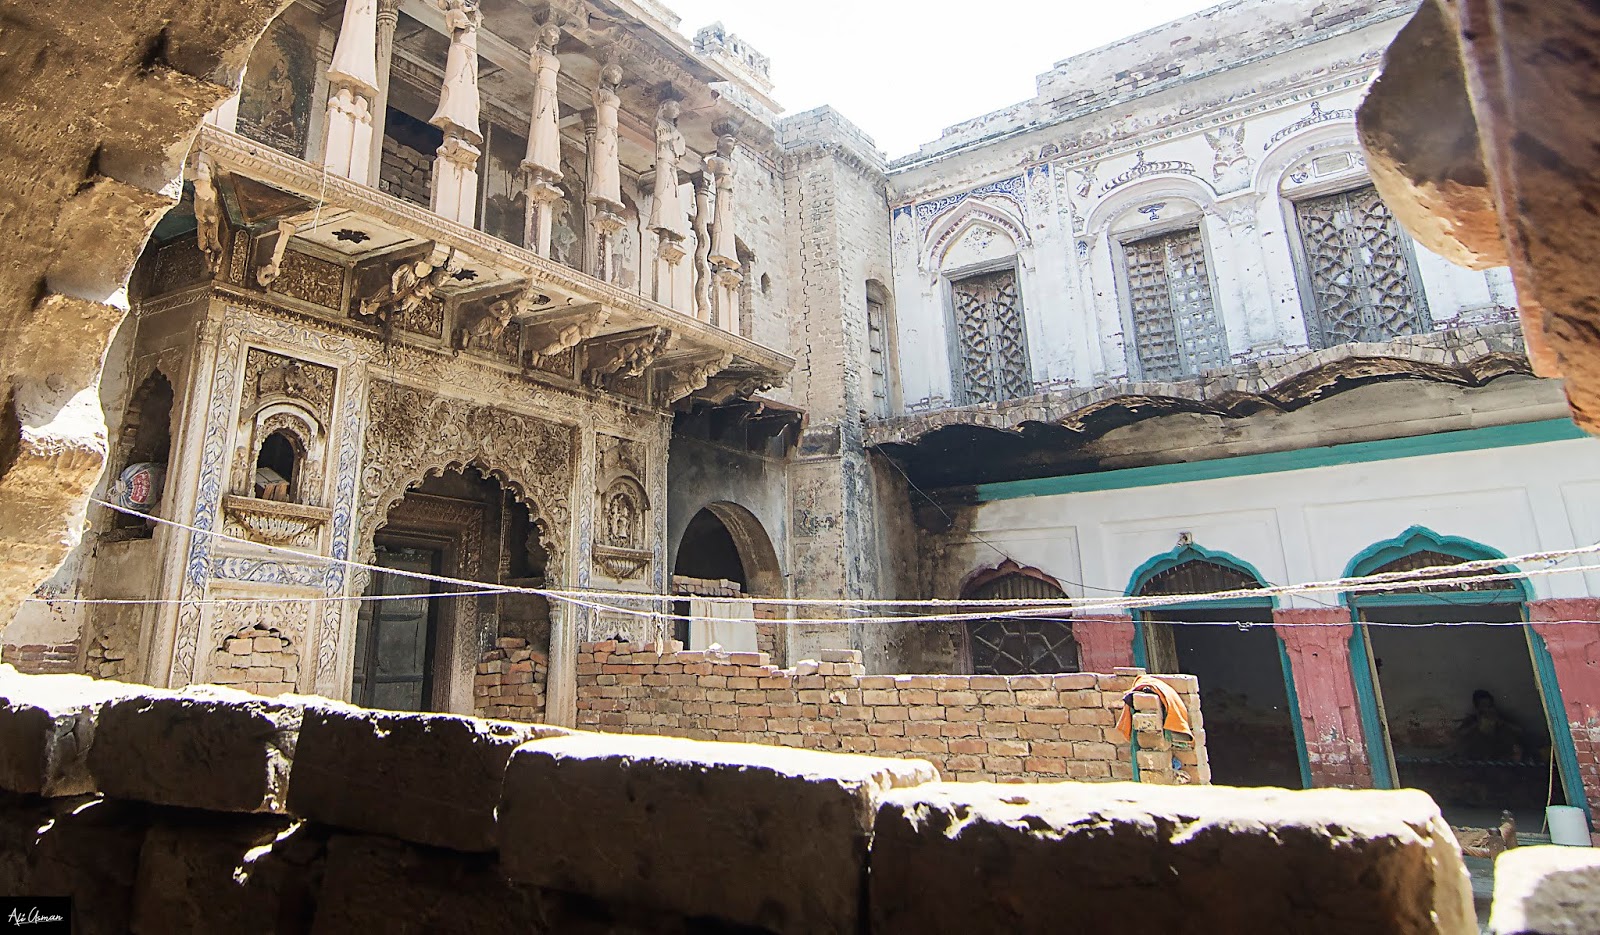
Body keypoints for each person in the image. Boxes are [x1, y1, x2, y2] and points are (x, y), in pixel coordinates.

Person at [1456, 689, 1524, 762]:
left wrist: (1502, 722)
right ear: (1477, 708)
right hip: (1476, 759)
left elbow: (1520, 730)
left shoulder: (1498, 718)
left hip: (1496, 758)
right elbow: (1459, 734)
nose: (1487, 708)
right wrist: (1477, 724)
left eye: (1490, 705)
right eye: (1484, 705)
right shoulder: (1472, 720)